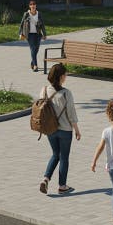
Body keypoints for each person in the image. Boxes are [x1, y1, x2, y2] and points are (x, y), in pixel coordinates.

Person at [38, 64, 81, 195]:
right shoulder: (66, 93)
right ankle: (62, 186)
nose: (66, 76)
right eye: (65, 74)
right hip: (65, 130)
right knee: (64, 157)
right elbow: (71, 114)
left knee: (55, 154)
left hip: (50, 129)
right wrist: (77, 130)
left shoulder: (44, 90)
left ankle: (45, 179)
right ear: (61, 76)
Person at [18, 0, 46, 72]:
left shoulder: (39, 14)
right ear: (29, 6)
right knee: (33, 48)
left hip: (38, 34)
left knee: (36, 49)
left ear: (36, 6)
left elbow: (42, 25)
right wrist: (20, 33)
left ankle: (32, 62)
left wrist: (44, 34)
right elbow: (21, 24)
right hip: (29, 34)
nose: (33, 6)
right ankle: (35, 65)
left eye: (34, 4)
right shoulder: (26, 14)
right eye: (31, 5)